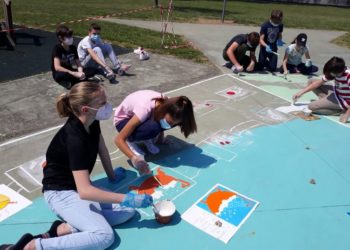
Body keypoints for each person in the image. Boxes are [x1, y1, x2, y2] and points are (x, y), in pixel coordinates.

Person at [6, 82, 153, 250]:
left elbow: (102, 149)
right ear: (85, 109)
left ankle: (63, 229)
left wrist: (112, 176)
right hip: (61, 193)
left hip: (77, 187)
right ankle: (33, 245)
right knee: (104, 236)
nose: (108, 105)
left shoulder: (92, 120)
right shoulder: (74, 139)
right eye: (102, 103)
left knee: (128, 211)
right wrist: (127, 198)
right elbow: (85, 192)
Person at [114, 90, 197, 172]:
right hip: (124, 121)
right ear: (164, 110)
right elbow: (119, 139)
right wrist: (135, 160)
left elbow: (162, 121)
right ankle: (130, 140)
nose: (170, 126)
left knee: (163, 123)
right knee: (153, 128)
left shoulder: (174, 106)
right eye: (169, 123)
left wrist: (161, 139)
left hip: (147, 118)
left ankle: (146, 138)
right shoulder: (143, 109)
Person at [292, 57, 350, 123]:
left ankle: (339, 110)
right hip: (337, 92)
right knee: (311, 81)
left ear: (337, 72)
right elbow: (319, 82)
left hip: (343, 100)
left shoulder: (348, 76)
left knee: (311, 107)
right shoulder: (336, 70)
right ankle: (326, 102)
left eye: (331, 73)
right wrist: (301, 92)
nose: (329, 75)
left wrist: (346, 115)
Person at [51, 25, 99, 89]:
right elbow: (57, 67)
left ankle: (73, 82)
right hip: (61, 72)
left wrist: (80, 72)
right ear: (60, 38)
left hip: (70, 70)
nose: (71, 38)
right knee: (61, 75)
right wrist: (74, 73)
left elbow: (78, 63)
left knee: (92, 70)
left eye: (71, 36)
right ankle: (78, 81)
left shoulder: (73, 48)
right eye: (68, 37)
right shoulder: (57, 48)